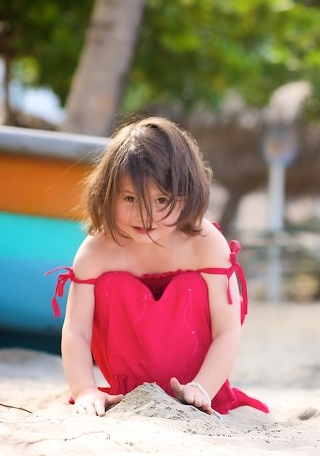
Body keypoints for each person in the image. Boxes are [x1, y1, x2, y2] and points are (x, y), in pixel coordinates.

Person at [49, 116, 268, 417]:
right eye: (129, 198)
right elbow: (76, 330)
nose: (146, 216)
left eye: (162, 199)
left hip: (203, 391)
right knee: (114, 284)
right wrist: (85, 390)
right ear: (107, 193)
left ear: (187, 194)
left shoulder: (206, 244)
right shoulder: (97, 251)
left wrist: (202, 387)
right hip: (124, 395)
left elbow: (227, 330)